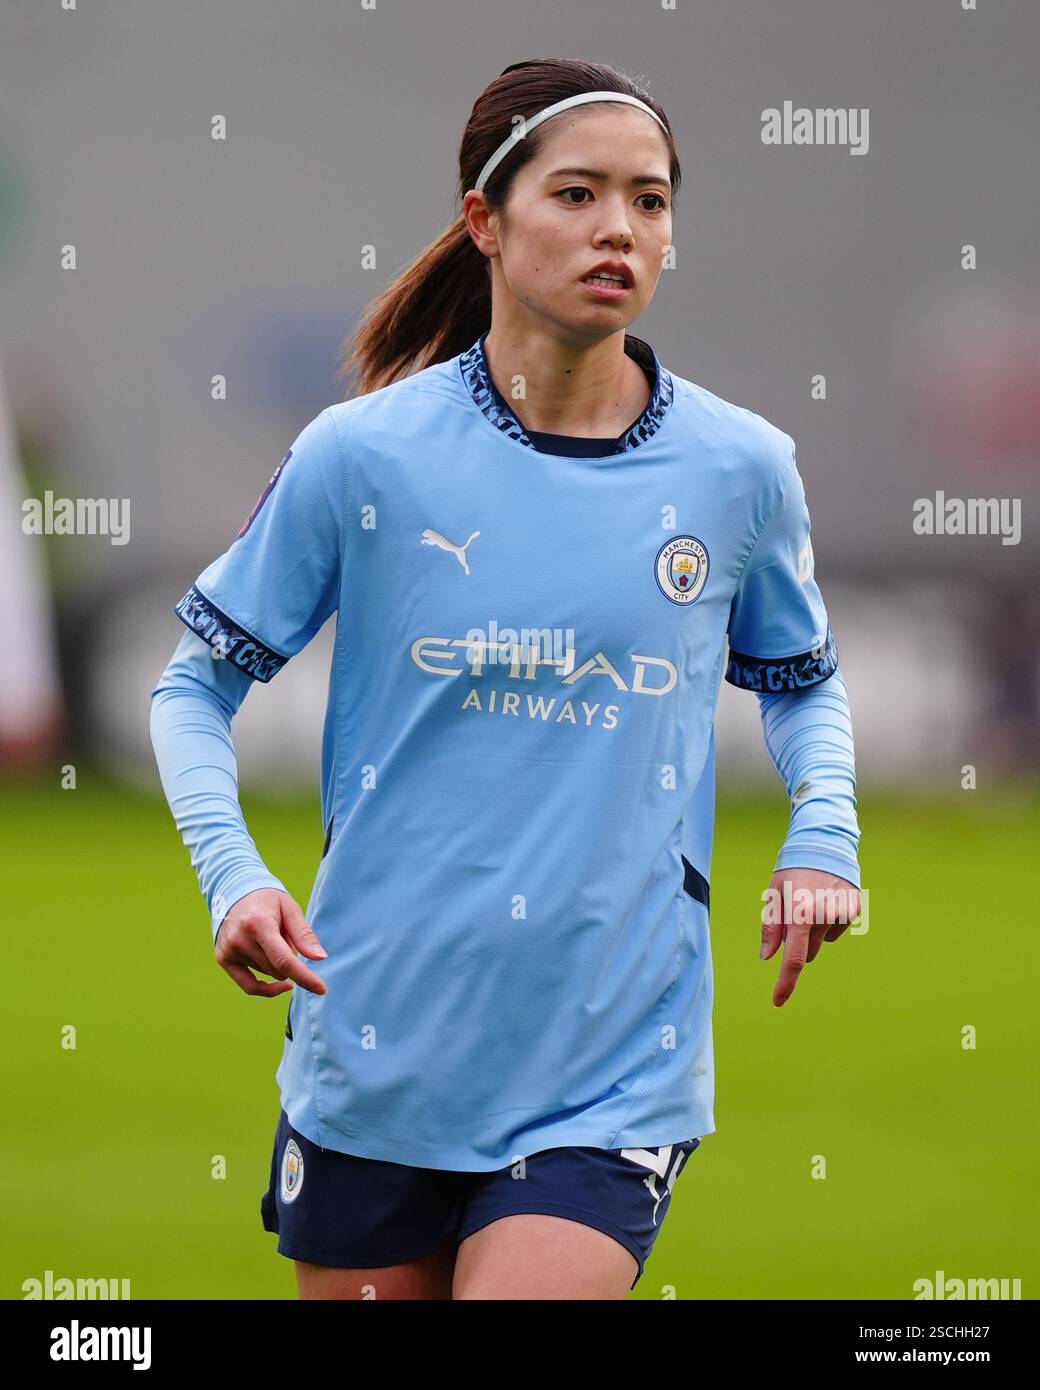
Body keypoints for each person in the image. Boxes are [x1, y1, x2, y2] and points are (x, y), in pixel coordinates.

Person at [149, 57, 861, 1301]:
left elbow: (798, 680)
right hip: (376, 1040)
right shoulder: (364, 456)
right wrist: (233, 876)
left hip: (611, 1058)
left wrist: (823, 837)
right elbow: (192, 686)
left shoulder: (739, 468)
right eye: (577, 194)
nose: (618, 230)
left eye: (647, 201)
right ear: (484, 219)